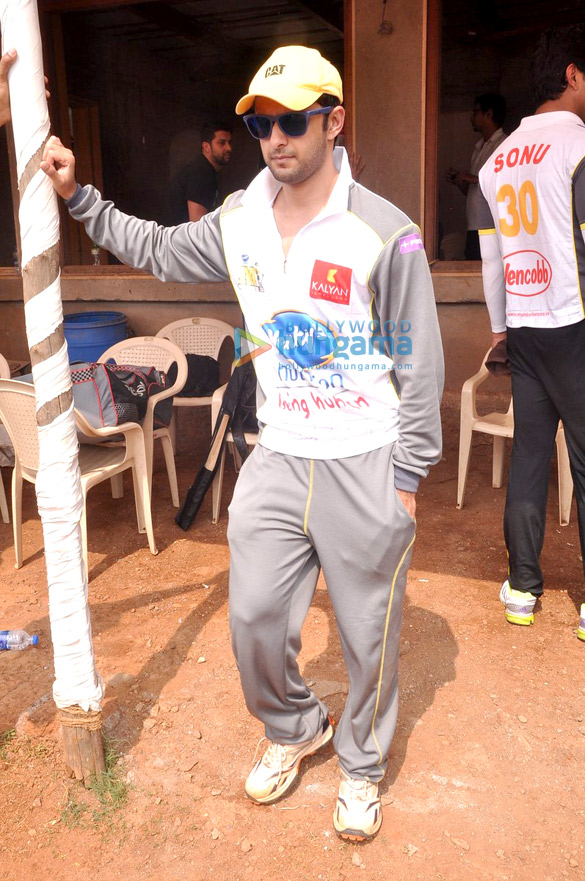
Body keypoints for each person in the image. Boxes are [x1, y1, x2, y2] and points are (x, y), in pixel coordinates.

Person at [40, 44, 444, 841]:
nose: (275, 138)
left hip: (363, 457)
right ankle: (297, 725)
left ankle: (361, 765)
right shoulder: (239, 220)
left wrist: (406, 476)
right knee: (254, 615)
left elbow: (420, 360)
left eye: (292, 120)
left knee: (368, 633)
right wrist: (80, 197)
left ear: (334, 121)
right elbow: (157, 249)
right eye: (261, 125)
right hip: (278, 453)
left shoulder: (385, 232)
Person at [477, 25, 585, 637]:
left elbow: (492, 261)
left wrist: (501, 331)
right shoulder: (579, 147)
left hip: (523, 327)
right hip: (575, 324)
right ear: (572, 75)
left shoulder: (496, 162)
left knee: (530, 456)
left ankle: (522, 588)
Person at [447, 93, 507, 259]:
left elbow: (504, 181)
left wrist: (473, 178)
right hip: (474, 225)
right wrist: (461, 180)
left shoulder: (504, 144)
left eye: (475, 112)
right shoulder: (479, 148)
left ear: (488, 114)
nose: (471, 117)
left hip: (491, 226)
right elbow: (474, 192)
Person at [167, 121, 232, 223]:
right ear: (206, 147)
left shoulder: (206, 170)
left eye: (229, 142)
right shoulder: (201, 173)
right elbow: (197, 225)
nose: (229, 148)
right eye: (222, 143)